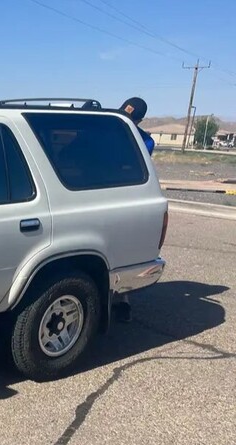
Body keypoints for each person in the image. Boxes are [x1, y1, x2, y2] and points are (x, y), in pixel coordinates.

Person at [114, 96, 154, 323]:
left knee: (120, 251)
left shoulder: (142, 140)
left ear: (138, 120)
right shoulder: (145, 140)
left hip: (124, 199)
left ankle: (122, 300)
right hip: (124, 199)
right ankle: (121, 300)